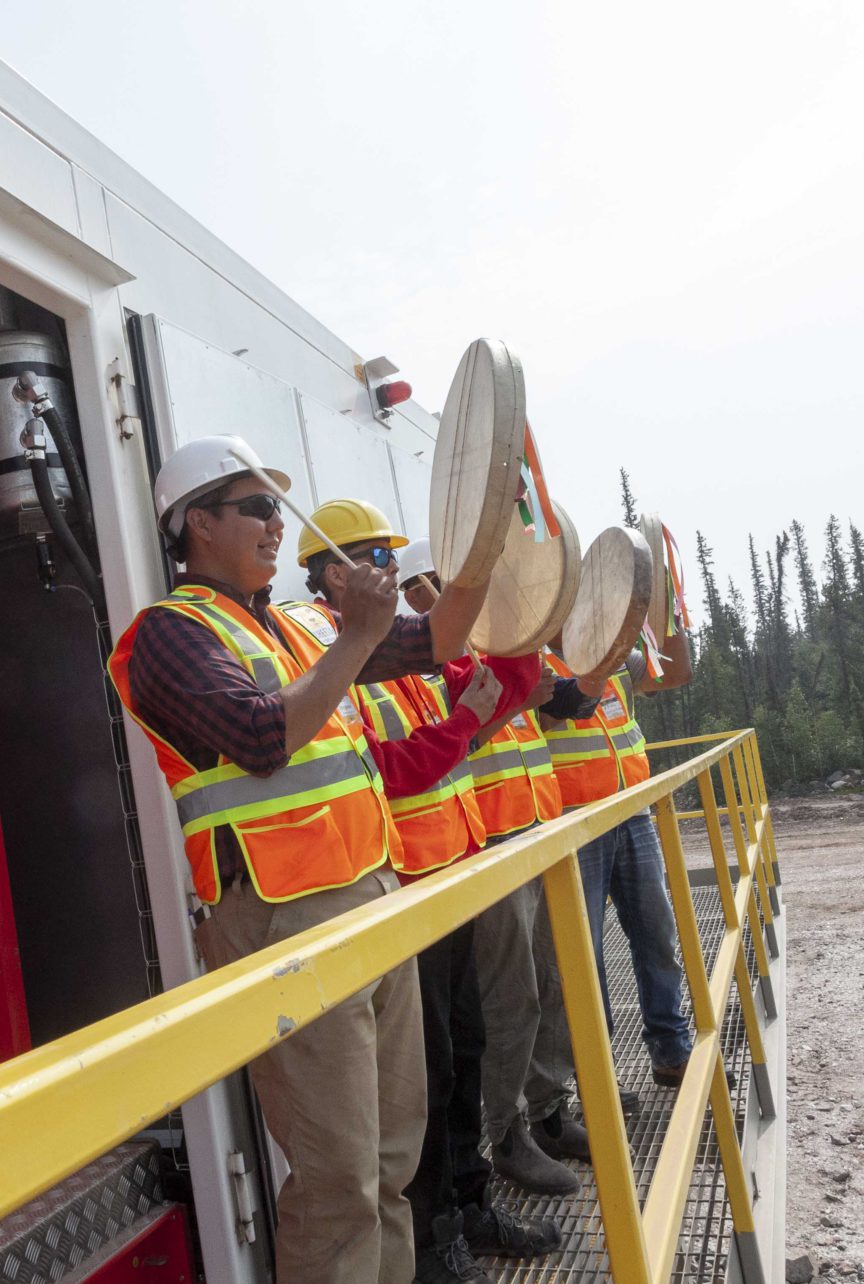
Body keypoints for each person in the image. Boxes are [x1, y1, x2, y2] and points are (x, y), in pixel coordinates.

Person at [107, 438, 490, 1284]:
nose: (278, 525)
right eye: (258, 507)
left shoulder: (287, 627)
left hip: (369, 897)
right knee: (337, 1185)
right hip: (285, 920)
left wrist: (484, 540)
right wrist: (356, 637)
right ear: (197, 522)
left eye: (279, 508)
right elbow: (261, 738)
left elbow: (442, 638)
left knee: (390, 1165)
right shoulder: (168, 634)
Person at [283, 509, 562, 1282]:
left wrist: (522, 624)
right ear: (334, 574)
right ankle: (436, 1243)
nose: (400, 577)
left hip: (454, 874)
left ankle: (468, 1204)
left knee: (465, 1051)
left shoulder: (401, 648)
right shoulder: (330, 654)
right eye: (378, 559)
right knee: (429, 1077)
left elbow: (502, 693)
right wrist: (462, 728)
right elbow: (388, 767)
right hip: (405, 885)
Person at [395, 547, 602, 1198]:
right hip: (487, 844)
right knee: (510, 1000)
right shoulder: (433, 668)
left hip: (531, 830)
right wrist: (506, 707)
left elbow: (557, 708)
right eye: (435, 586)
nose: (455, 599)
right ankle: (507, 1132)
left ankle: (545, 1113)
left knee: (551, 981)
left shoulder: (475, 658)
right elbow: (458, 744)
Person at [541, 625, 697, 1086]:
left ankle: (671, 1051)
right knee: (584, 957)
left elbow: (676, 674)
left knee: (657, 934)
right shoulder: (533, 666)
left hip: (632, 813)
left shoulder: (616, 659)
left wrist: (667, 611)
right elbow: (546, 721)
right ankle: (599, 1077)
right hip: (573, 824)